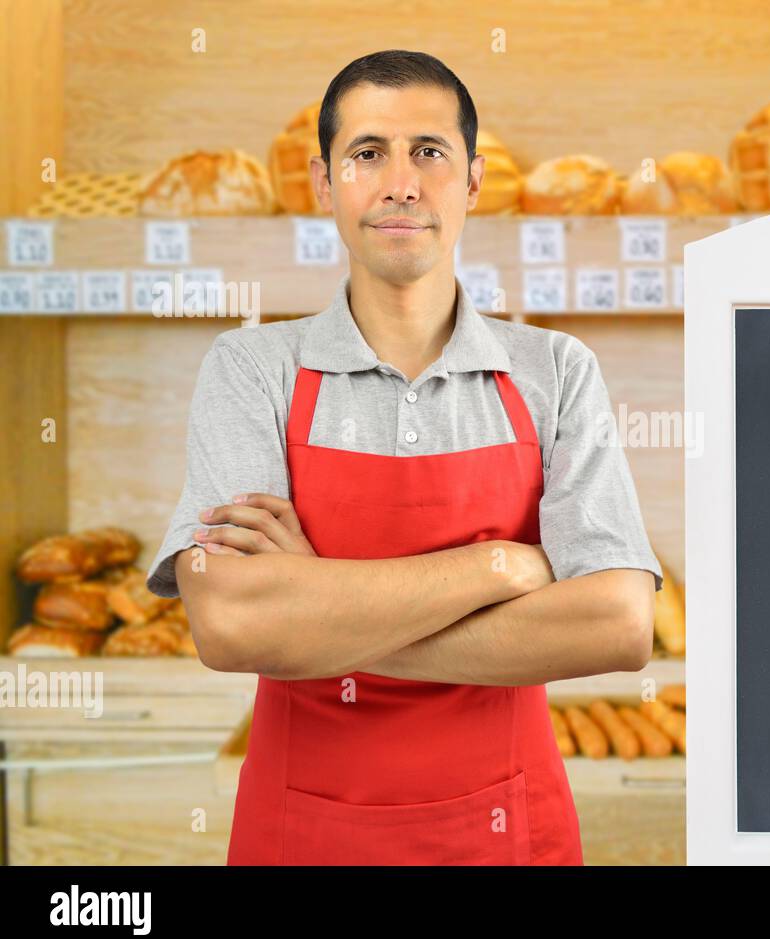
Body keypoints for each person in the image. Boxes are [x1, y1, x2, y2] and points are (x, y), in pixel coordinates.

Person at [145, 49, 663, 866]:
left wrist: (313, 616)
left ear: (473, 181)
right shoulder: (252, 370)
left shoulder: (555, 371)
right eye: (367, 154)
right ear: (324, 183)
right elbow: (233, 622)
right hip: (305, 835)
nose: (400, 182)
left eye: (429, 152)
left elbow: (620, 623)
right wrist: (500, 567)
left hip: (509, 831)